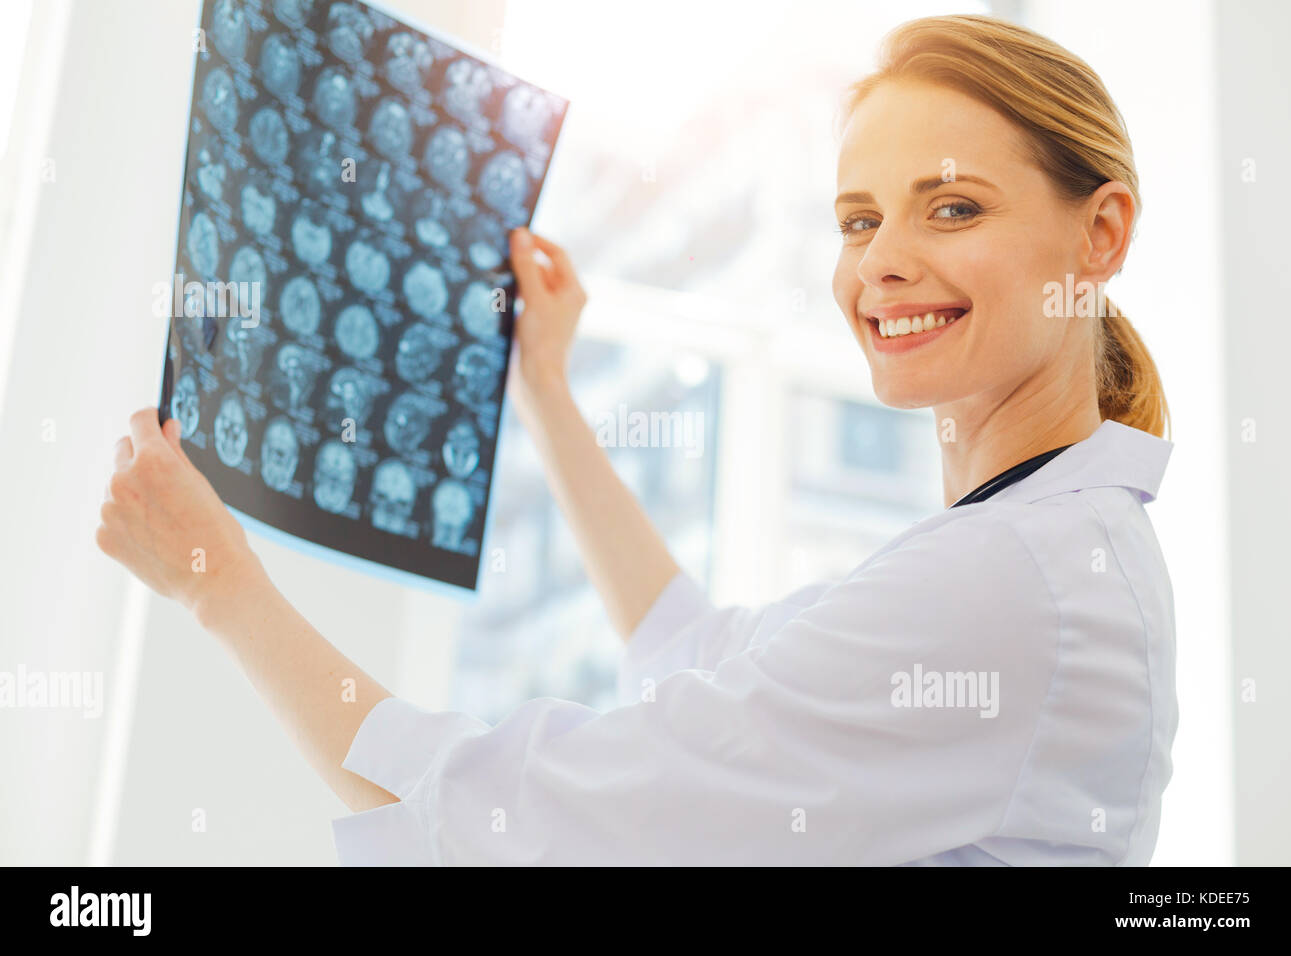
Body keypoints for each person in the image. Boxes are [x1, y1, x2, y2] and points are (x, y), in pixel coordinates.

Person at [97, 14, 1176, 865]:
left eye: (951, 209)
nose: (879, 263)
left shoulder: (1009, 579)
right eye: (858, 219)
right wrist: (550, 397)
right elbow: (698, 659)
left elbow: (514, 821)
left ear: (1100, 232)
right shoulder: (1031, 544)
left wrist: (217, 583)